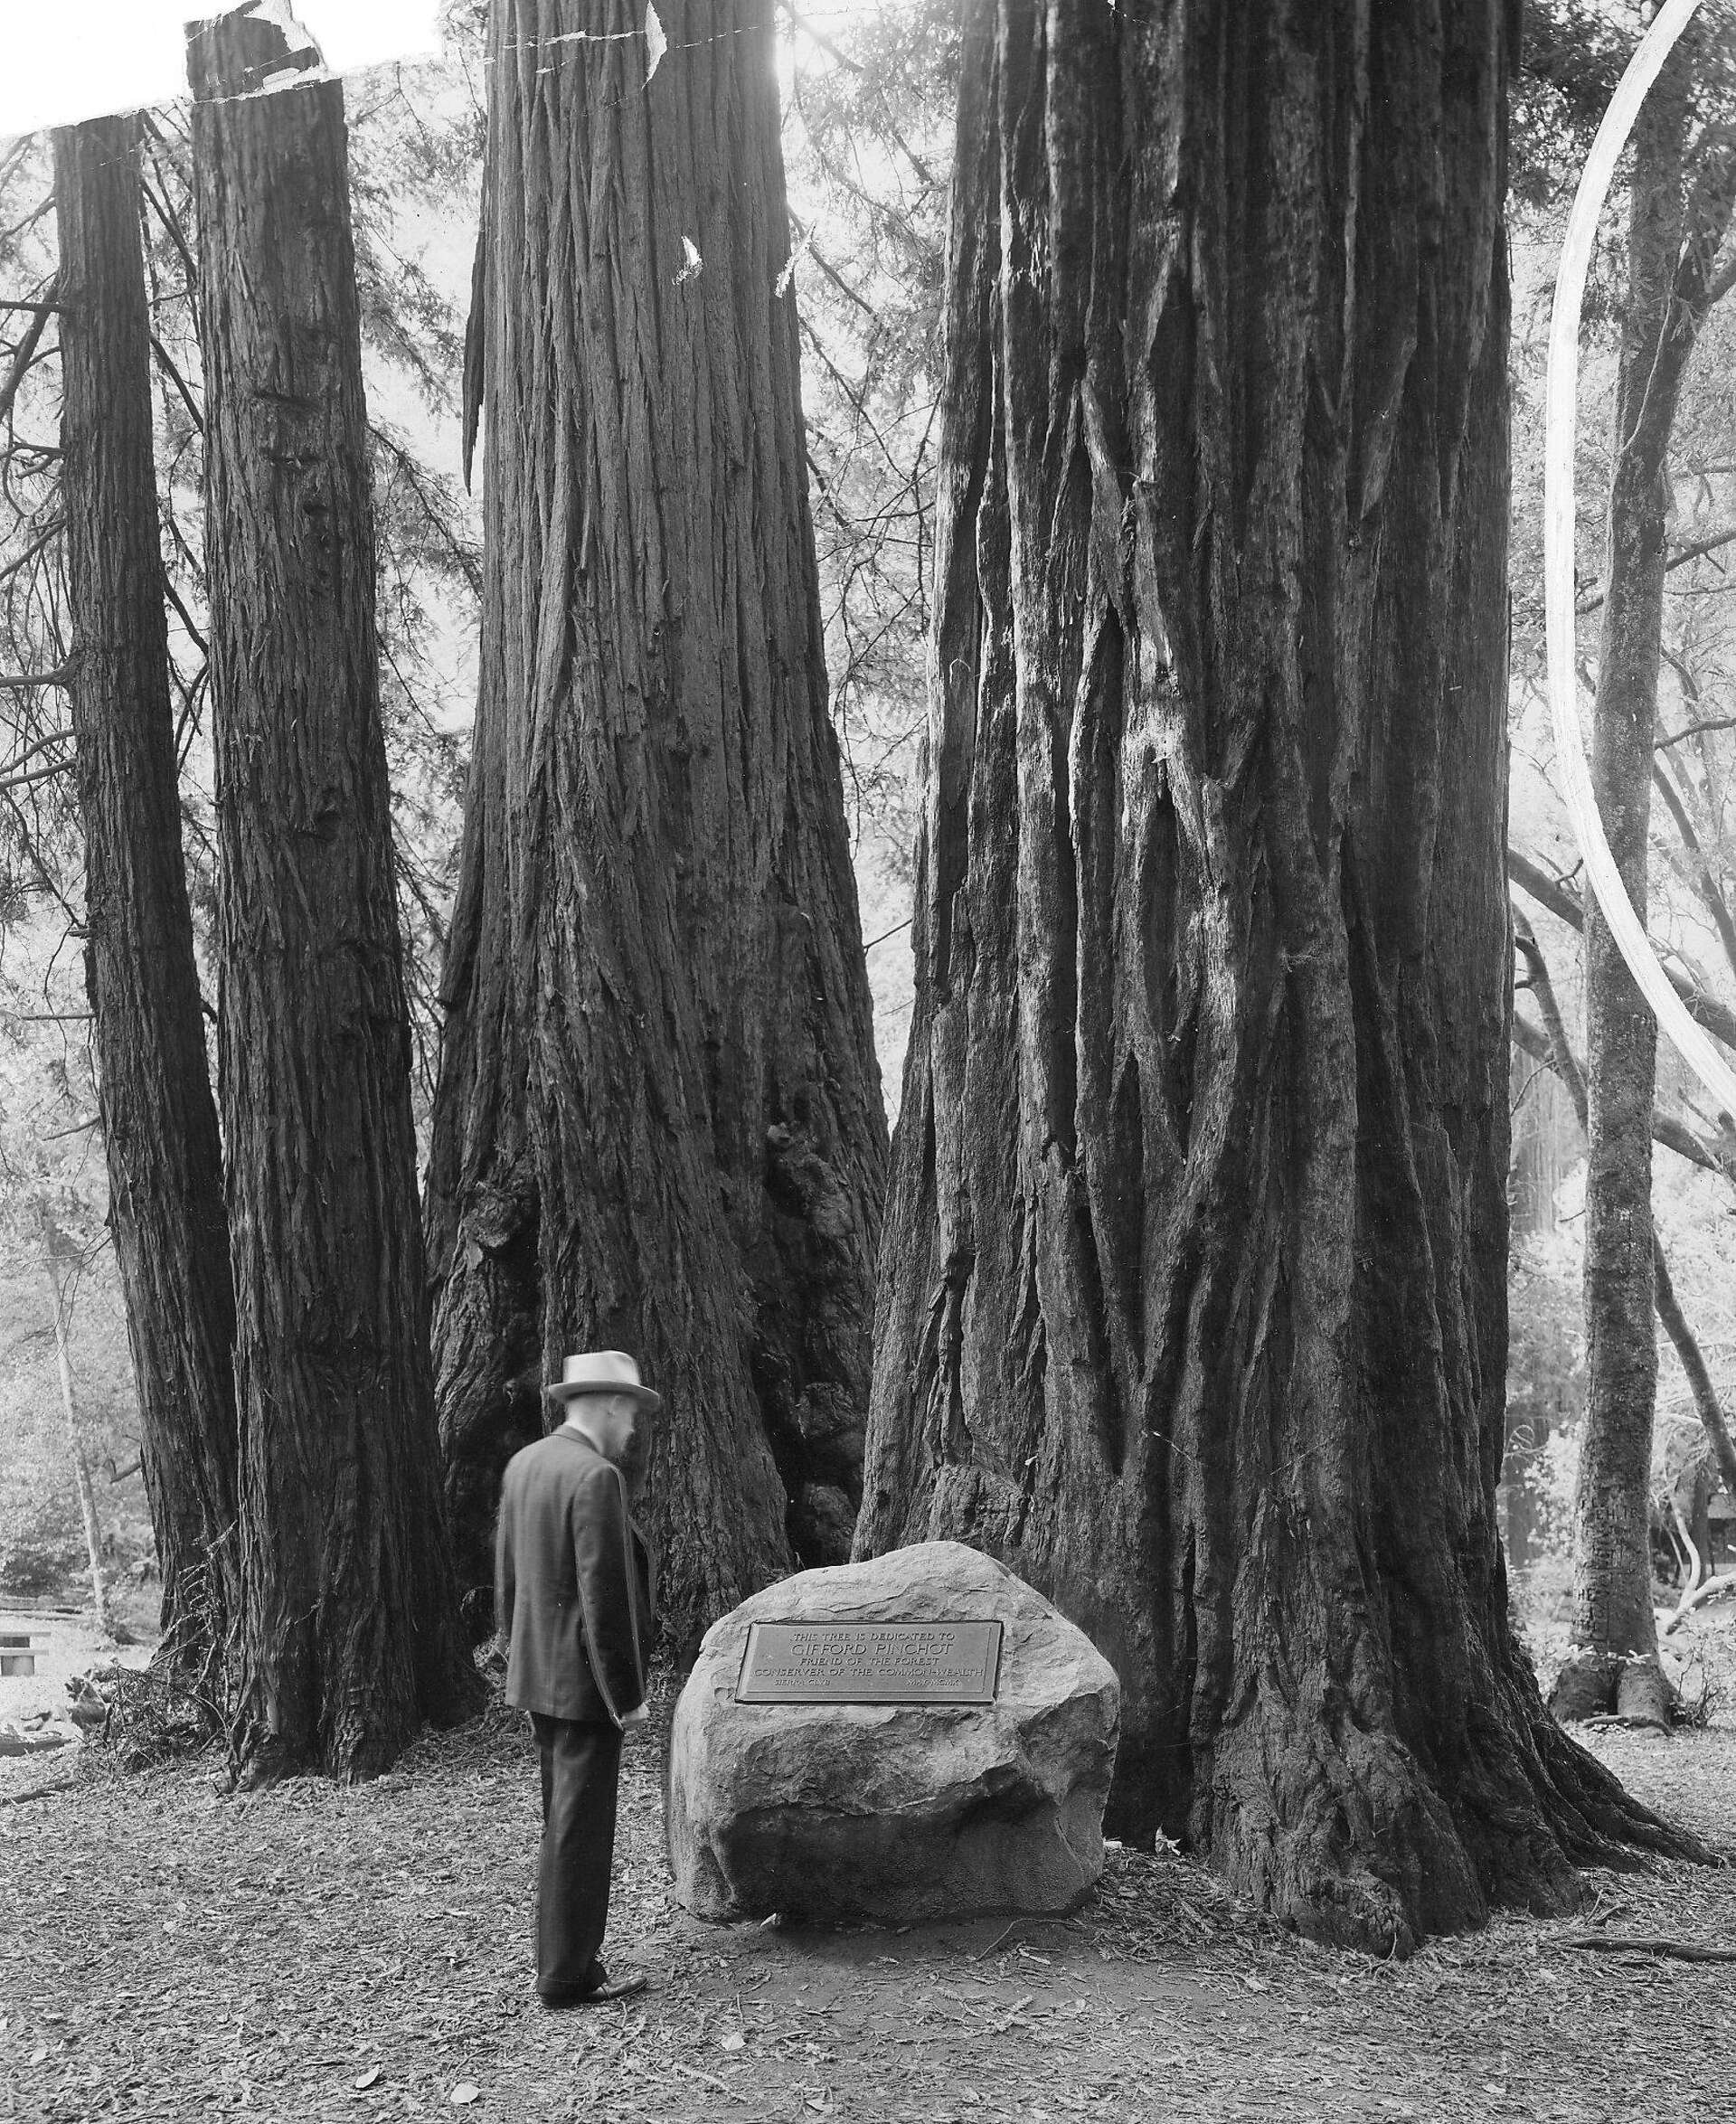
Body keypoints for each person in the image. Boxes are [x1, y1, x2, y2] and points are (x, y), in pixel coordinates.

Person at [495, 1348, 659, 2006]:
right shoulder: (596, 1477)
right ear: (612, 1404)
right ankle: (565, 1975)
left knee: (561, 1822)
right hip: (586, 1685)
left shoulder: (525, 1464)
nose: (634, 1428)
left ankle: (568, 1963)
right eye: (633, 1411)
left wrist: (519, 1658)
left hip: (539, 1675)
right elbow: (605, 1600)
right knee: (581, 1830)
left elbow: (508, 1579)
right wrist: (628, 1695)